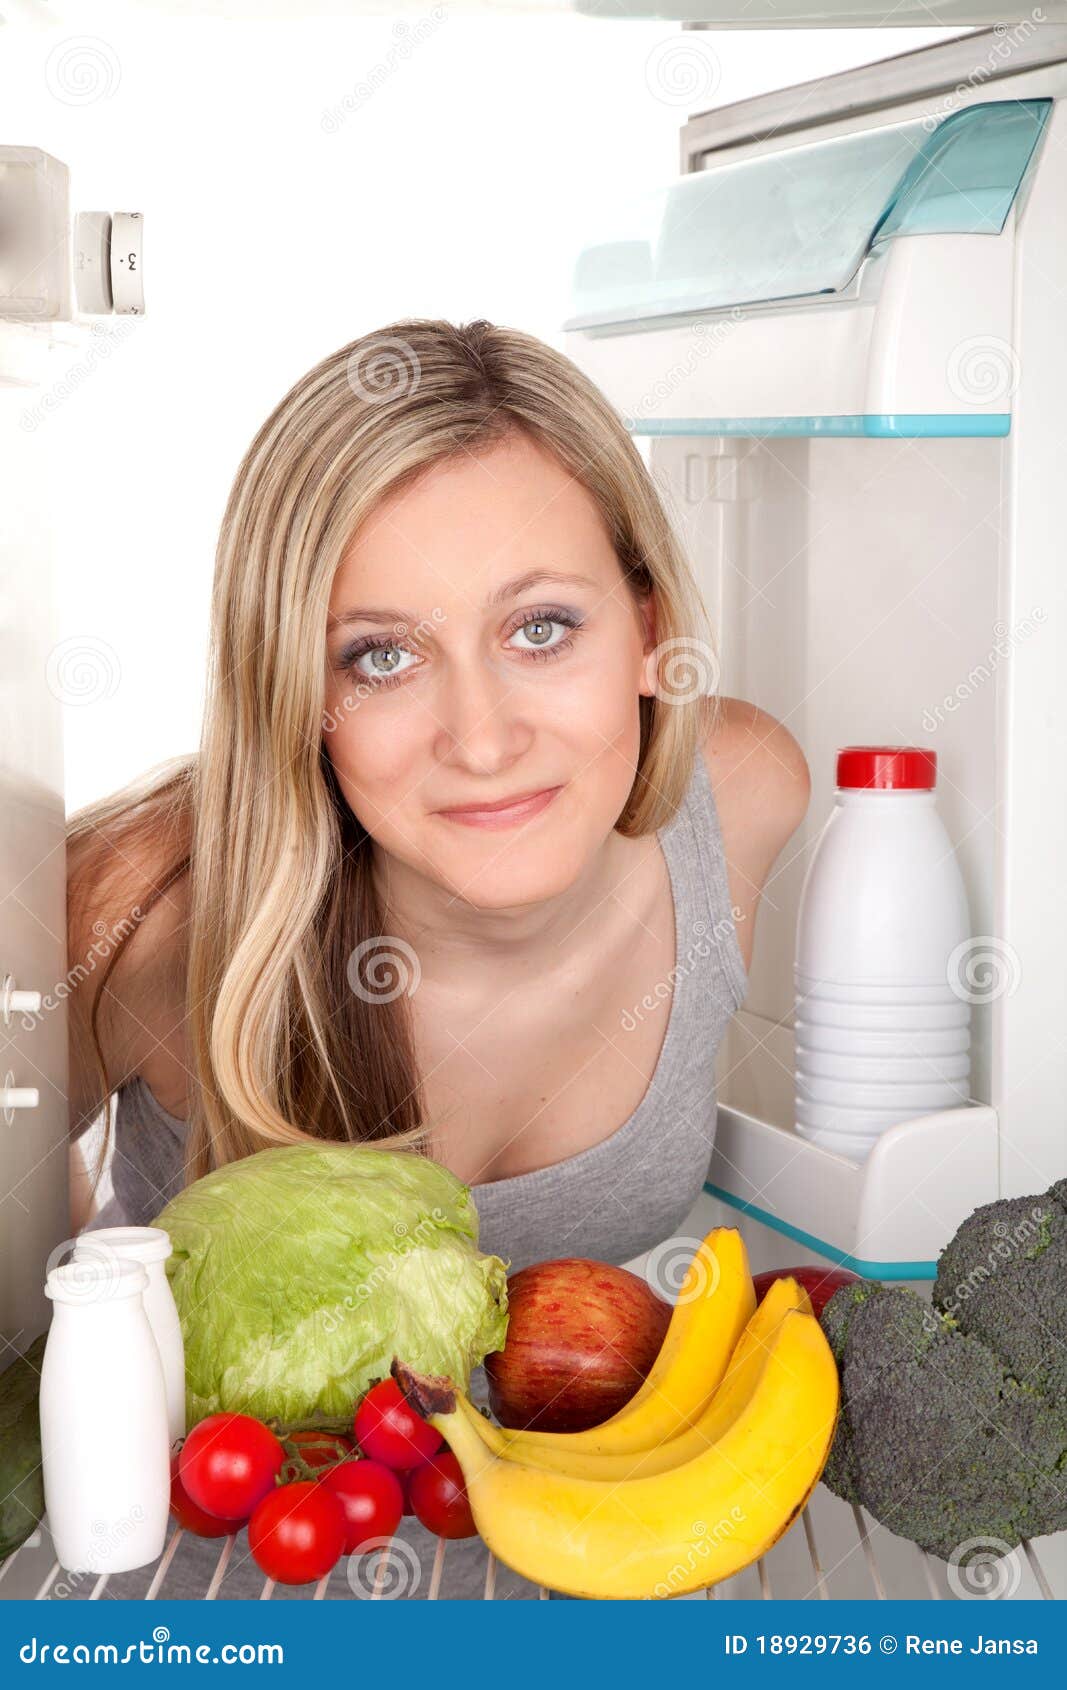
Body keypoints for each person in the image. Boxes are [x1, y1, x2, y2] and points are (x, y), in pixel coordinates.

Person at [64, 318, 809, 1601]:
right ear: (295, 686)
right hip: (208, 1579)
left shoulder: (741, 793)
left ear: (647, 628)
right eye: (382, 655)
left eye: (540, 629)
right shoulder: (149, 912)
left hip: (540, 1544)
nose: (481, 737)